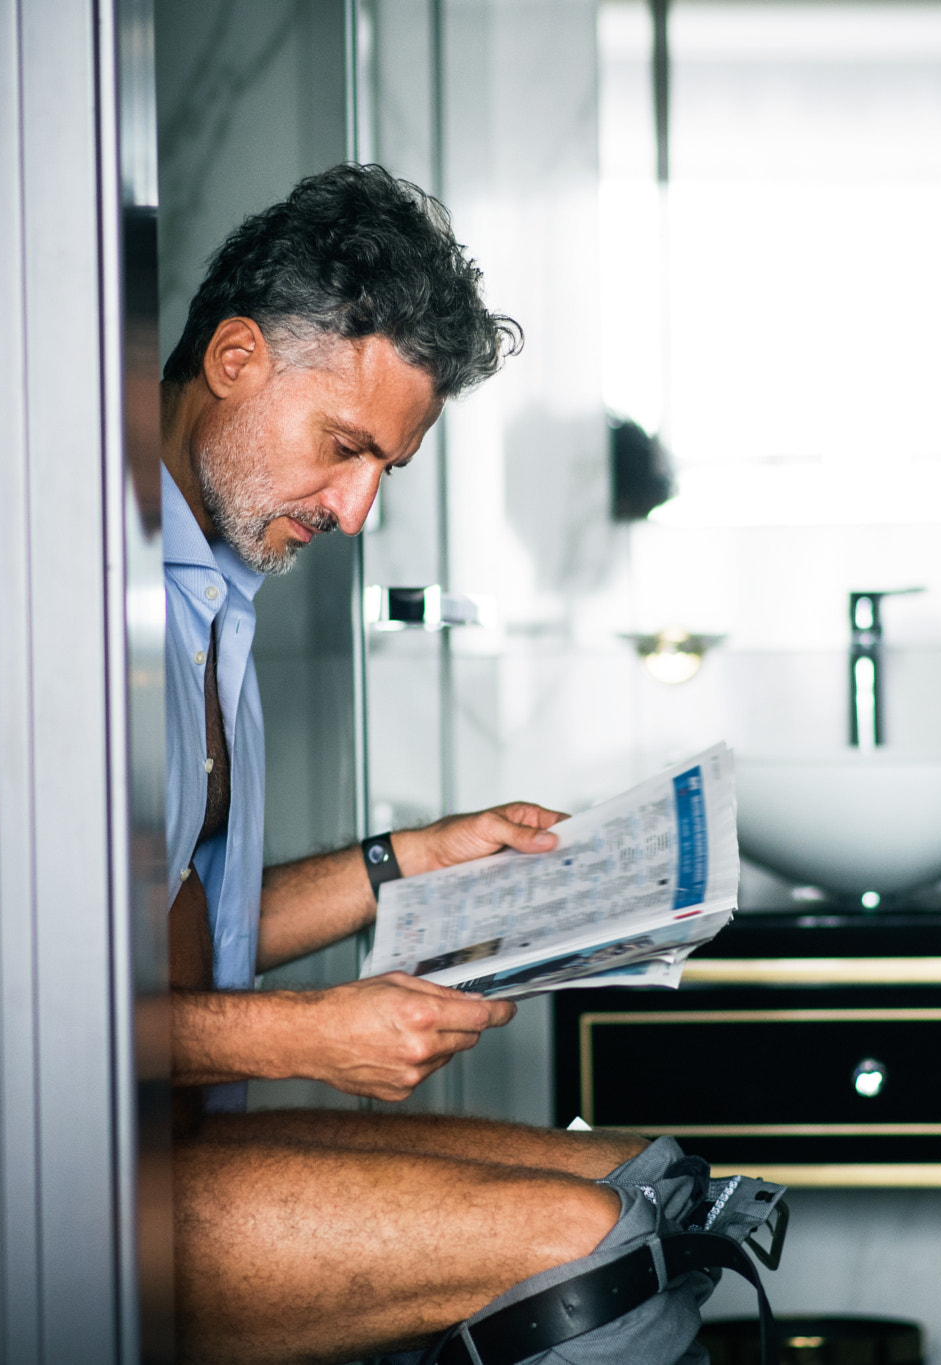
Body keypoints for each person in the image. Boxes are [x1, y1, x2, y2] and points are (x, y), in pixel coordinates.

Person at [160, 164, 658, 1365]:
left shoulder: (214, 596)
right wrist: (306, 1039)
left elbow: (183, 930)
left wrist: (410, 861)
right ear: (235, 358)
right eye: (344, 448)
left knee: (653, 1183)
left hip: (180, 1138)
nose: (355, 511)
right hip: (66, 1177)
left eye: (384, 467)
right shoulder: (79, 594)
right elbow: (17, 1013)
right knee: (591, 1252)